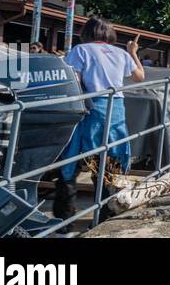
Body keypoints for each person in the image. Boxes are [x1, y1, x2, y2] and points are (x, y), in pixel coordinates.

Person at [54, 17, 144, 220]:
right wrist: (133, 52)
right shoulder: (121, 53)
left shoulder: (81, 50)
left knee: (71, 162)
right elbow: (140, 76)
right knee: (105, 165)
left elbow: (73, 80)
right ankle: (101, 216)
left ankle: (65, 219)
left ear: (87, 33)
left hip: (92, 107)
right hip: (116, 110)